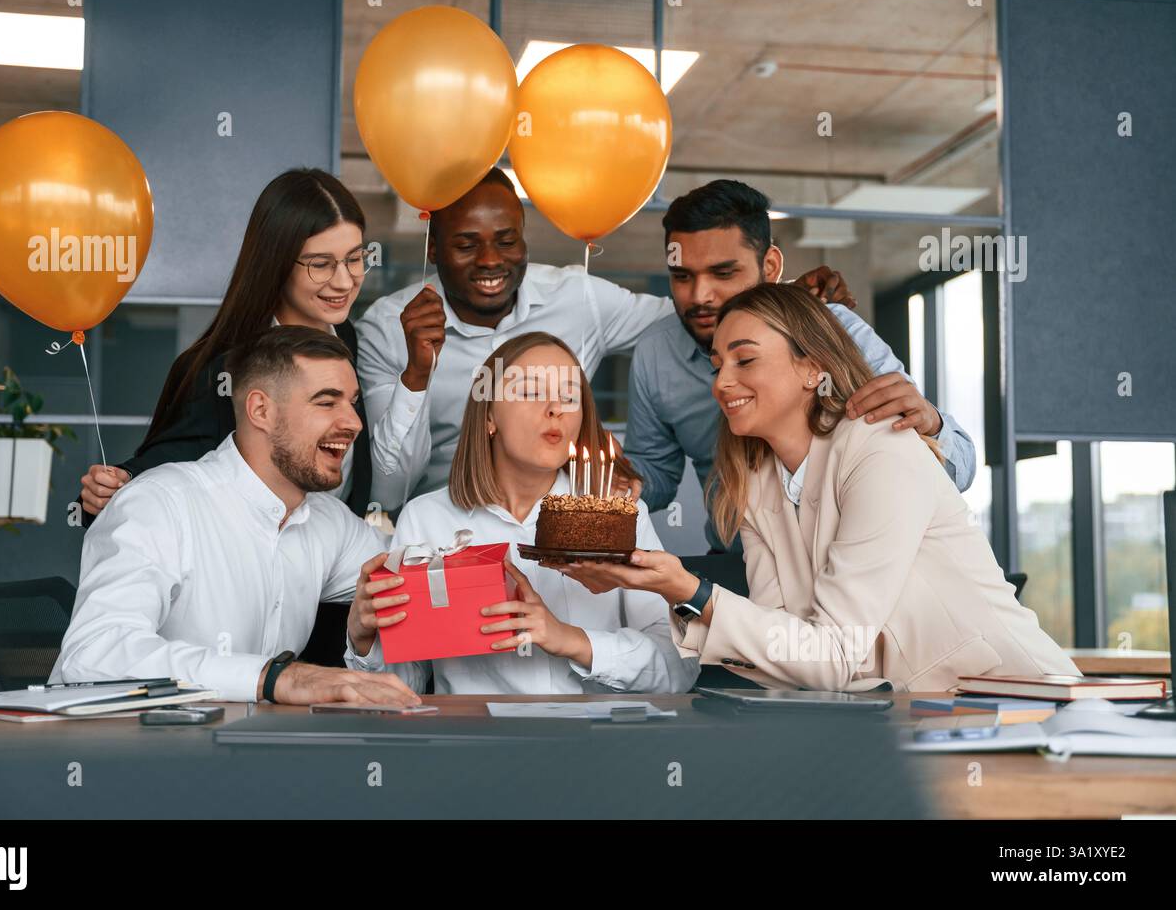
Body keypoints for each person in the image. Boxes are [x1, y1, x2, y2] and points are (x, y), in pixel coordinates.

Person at [557, 285, 1077, 693]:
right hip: (927, 717)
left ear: (812, 368)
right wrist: (668, 589)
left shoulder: (881, 450)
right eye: (717, 365)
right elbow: (791, 653)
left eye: (745, 359)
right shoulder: (754, 483)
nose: (721, 382)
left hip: (1023, 703)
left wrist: (688, 590)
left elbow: (832, 655)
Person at [356, 168, 853, 513]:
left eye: (506, 240)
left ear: (525, 237)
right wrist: (416, 376)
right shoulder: (386, 326)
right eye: (466, 244)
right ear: (434, 247)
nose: (490, 260)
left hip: (554, 526)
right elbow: (388, 489)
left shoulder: (578, 297)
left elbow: (698, 311)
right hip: (440, 528)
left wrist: (788, 297)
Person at [52, 327, 421, 706]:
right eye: (327, 403)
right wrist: (274, 677)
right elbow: (93, 655)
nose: (355, 423)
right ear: (261, 410)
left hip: (239, 752)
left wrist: (366, 637)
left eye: (353, 402)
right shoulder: (158, 502)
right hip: (121, 751)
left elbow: (415, 584)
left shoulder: (329, 521)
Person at [621, 179, 976, 551]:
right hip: (738, 561)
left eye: (723, 274)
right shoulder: (656, 353)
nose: (700, 296)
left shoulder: (834, 331)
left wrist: (930, 425)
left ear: (770, 265)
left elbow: (958, 467)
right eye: (682, 276)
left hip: (850, 553)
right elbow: (655, 474)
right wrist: (616, 482)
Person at [343, 331, 698, 695]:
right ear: (489, 416)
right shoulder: (427, 518)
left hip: (593, 743)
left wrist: (570, 640)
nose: (555, 408)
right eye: (529, 392)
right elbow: (403, 685)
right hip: (476, 742)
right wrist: (364, 639)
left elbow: (679, 670)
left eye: (569, 396)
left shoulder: (619, 514)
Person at [78, 168, 375, 522]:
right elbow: (175, 459)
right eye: (321, 265)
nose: (344, 281)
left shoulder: (347, 337)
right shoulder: (224, 367)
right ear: (277, 263)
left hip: (338, 559)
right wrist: (119, 482)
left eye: (355, 259)